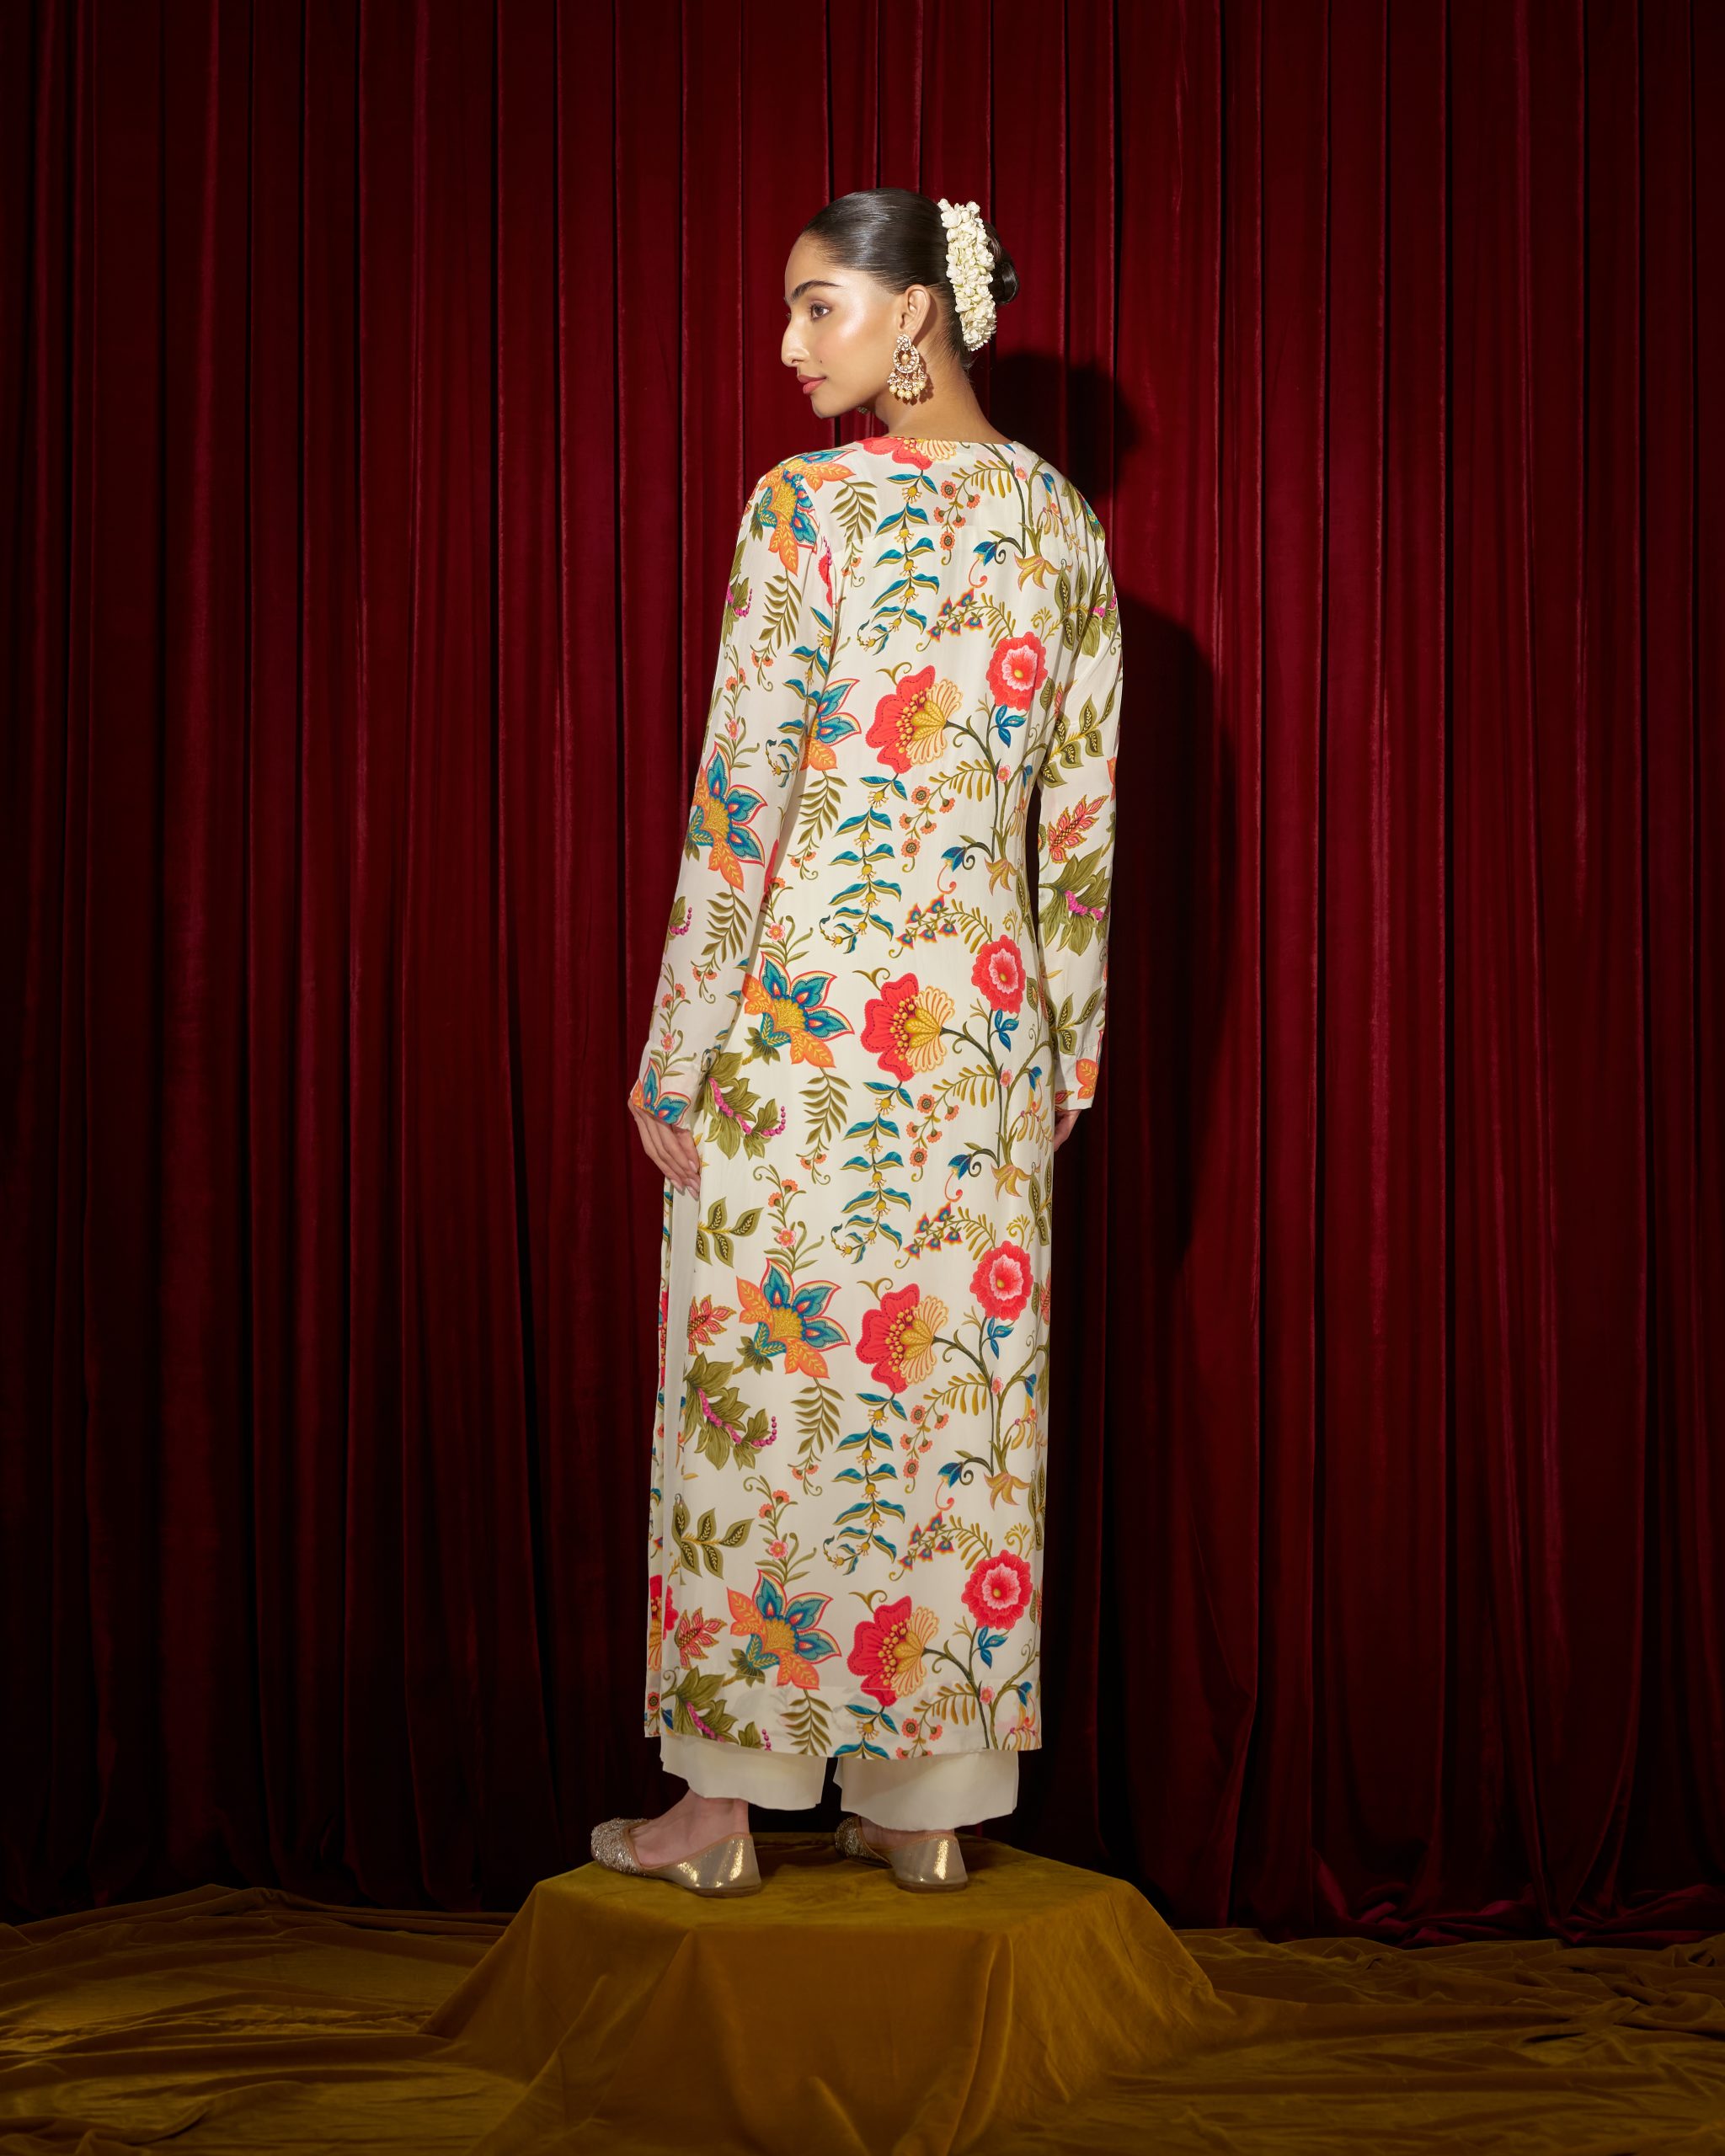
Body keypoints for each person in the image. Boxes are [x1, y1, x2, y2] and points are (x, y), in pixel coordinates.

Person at [593, 188, 1124, 1897]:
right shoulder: (1061, 522)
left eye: (818, 305)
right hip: (982, 1041)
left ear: (916, 316)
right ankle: (926, 1811)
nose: (787, 344)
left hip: (803, 1032)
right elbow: (1082, 828)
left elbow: (741, 797)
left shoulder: (803, 507)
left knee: (768, 1400)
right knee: (948, 1417)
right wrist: (1064, 1060)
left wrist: (676, 1051)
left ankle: (721, 1811)